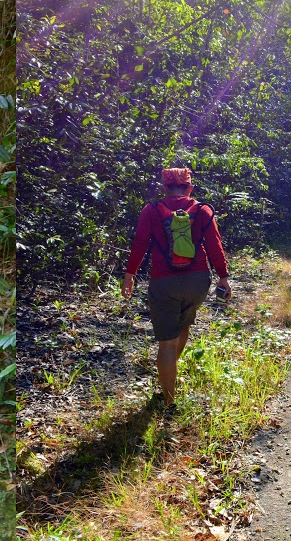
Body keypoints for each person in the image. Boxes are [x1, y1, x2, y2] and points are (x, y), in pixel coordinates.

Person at [122, 167, 231, 412]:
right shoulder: (202, 210)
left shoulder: (151, 210)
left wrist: (130, 275)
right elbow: (214, 244)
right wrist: (223, 277)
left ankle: (168, 400)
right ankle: (170, 371)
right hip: (198, 281)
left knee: (166, 344)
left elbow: (140, 243)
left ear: (163, 188)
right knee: (184, 326)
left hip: (164, 282)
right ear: (190, 188)